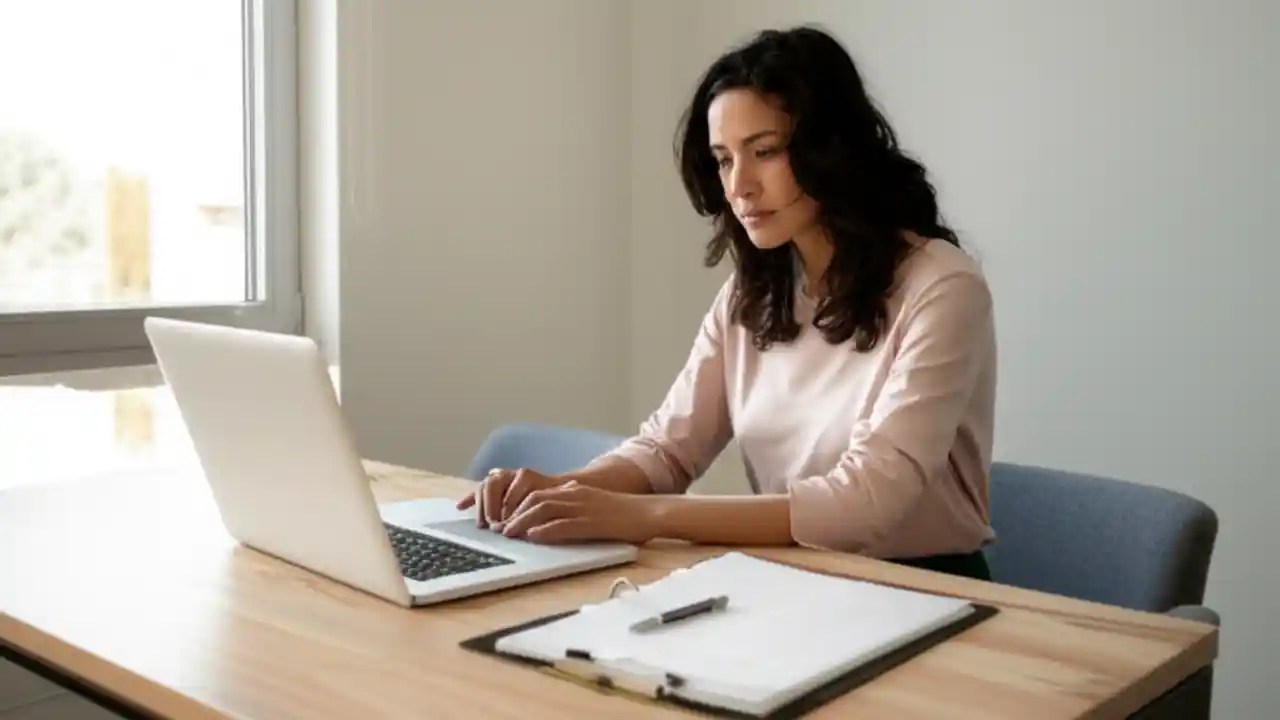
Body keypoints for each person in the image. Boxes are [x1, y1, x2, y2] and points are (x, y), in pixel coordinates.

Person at [458, 26, 997, 580]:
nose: (739, 185)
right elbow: (668, 451)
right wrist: (563, 489)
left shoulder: (942, 287)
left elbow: (864, 503)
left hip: (928, 585)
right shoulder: (753, 294)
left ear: (830, 150)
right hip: (797, 579)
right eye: (722, 160)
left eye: (764, 152)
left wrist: (647, 516)